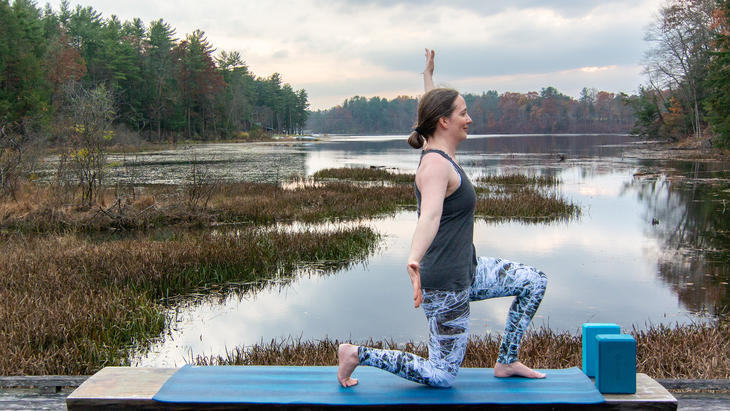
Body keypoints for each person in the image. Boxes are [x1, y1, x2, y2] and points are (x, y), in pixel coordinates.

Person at [337, 49, 548, 388]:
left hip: (469, 270)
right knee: (441, 376)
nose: (470, 119)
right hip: (445, 285)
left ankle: (507, 361)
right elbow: (431, 216)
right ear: (444, 122)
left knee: (532, 282)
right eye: (463, 113)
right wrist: (413, 258)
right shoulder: (435, 165)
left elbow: (430, 109)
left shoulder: (437, 150)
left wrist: (428, 77)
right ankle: (357, 353)